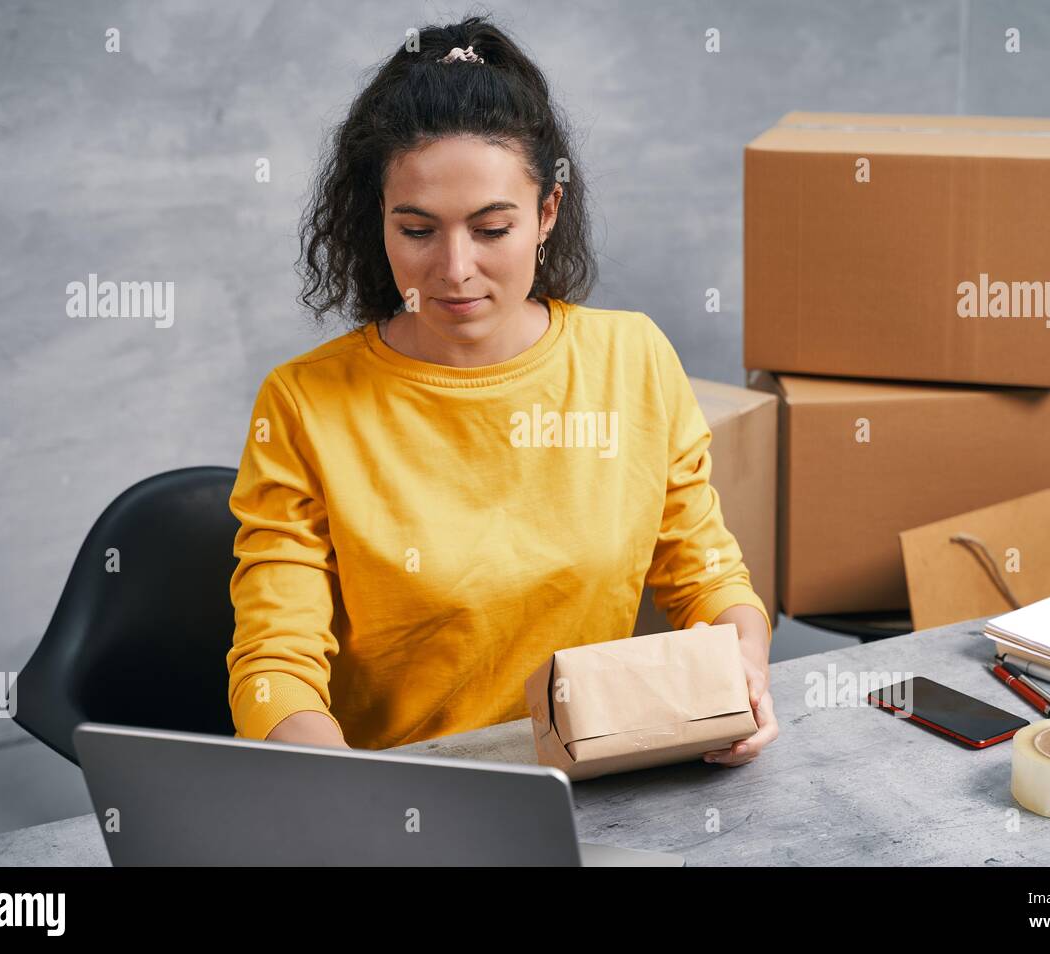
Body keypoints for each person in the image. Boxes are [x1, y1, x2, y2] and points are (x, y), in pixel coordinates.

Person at [226, 15, 777, 768]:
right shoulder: (303, 405)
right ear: (377, 222)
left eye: (491, 229)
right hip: (406, 797)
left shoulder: (632, 358)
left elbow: (708, 575)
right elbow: (273, 667)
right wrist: (344, 785)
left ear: (546, 213)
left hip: (603, 775)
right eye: (417, 230)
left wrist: (740, 669)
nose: (454, 270)